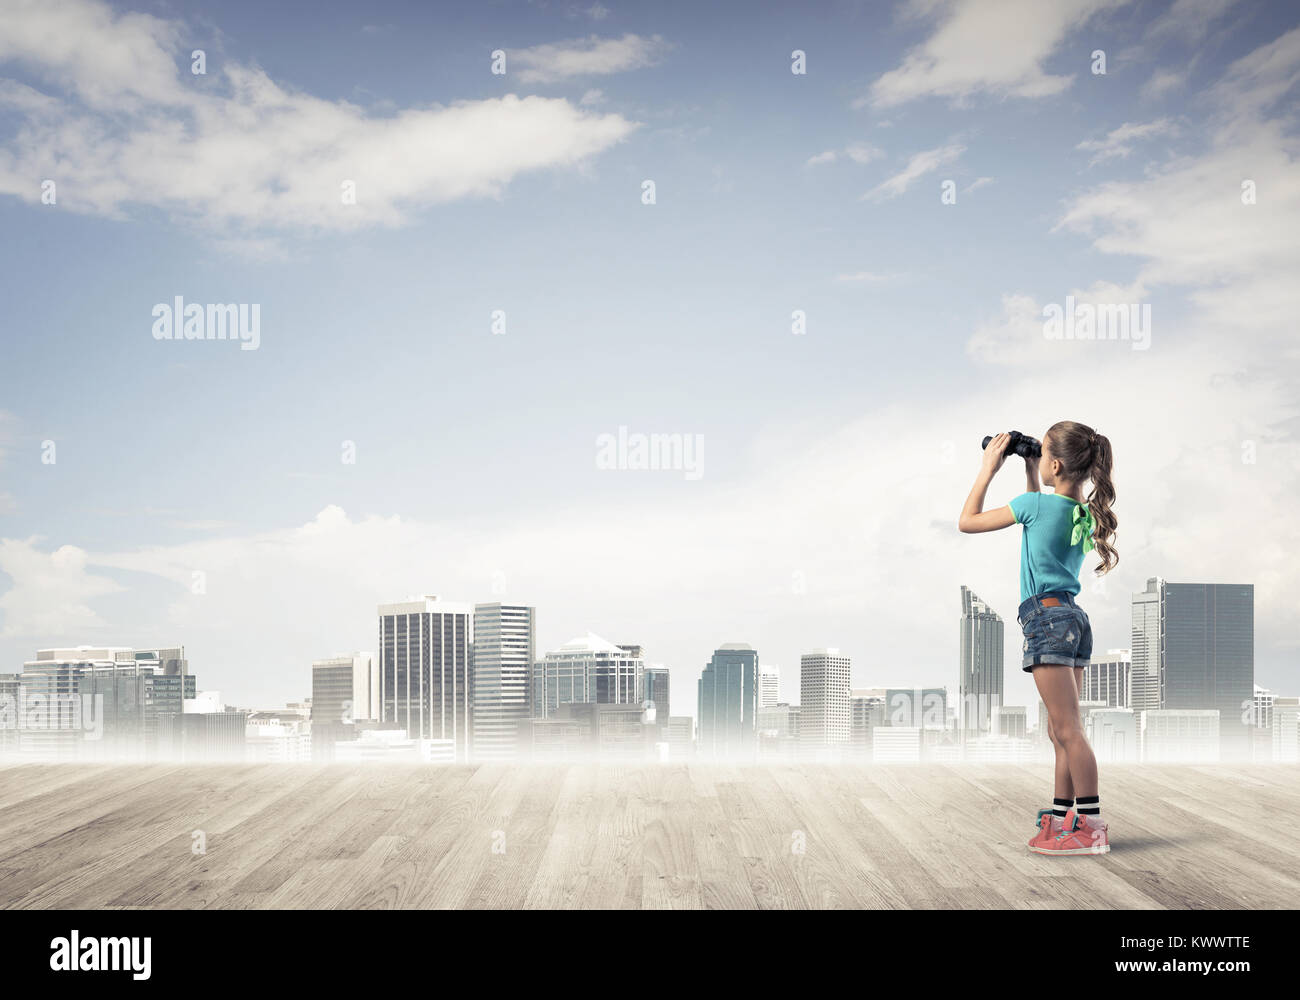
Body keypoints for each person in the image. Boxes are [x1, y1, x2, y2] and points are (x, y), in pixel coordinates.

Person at [958, 421, 1117, 855]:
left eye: (1043, 453)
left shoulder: (1034, 504)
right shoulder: (1083, 513)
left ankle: (1091, 828)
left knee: (1068, 730)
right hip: (1072, 619)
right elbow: (1040, 516)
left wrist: (989, 466)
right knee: (1060, 731)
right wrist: (1032, 464)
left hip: (1046, 619)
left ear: (1057, 463)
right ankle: (1064, 816)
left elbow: (966, 521)